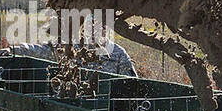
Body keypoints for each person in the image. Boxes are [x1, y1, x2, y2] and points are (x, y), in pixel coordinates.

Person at [8, 34, 138, 76]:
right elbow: (43, 51)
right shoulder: (72, 47)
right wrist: (14, 50)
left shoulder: (118, 53)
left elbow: (130, 86)